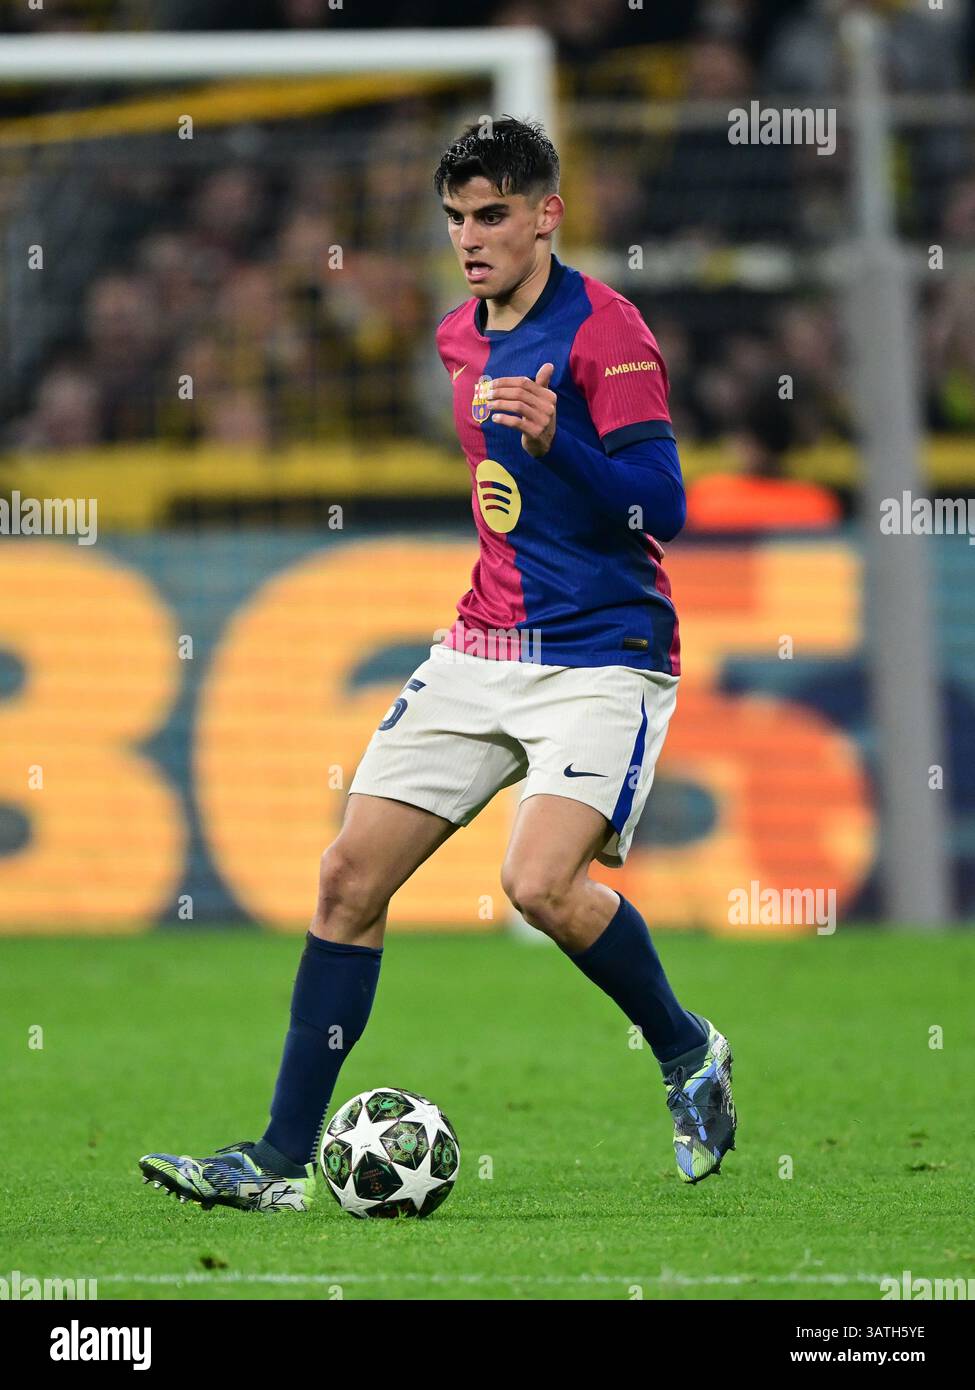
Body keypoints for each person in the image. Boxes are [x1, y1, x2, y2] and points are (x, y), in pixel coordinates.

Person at [139, 117, 736, 1213]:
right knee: (346, 878)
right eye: (457, 217)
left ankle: (687, 1048)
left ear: (547, 213)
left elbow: (667, 506)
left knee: (541, 884)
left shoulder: (609, 332)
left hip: (606, 656)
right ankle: (274, 1164)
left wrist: (570, 446)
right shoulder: (458, 336)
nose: (472, 236)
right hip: (482, 644)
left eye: (494, 214)